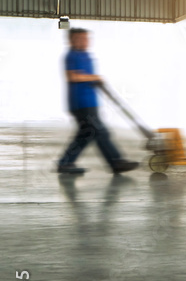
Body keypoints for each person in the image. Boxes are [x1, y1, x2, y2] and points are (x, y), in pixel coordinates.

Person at [57, 28, 138, 175]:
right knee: (100, 132)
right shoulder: (71, 56)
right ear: (71, 40)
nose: (85, 41)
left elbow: (87, 76)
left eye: (86, 38)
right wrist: (94, 78)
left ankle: (66, 163)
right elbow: (73, 77)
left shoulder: (86, 55)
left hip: (90, 102)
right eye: (80, 38)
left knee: (86, 134)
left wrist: (95, 79)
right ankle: (116, 162)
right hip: (80, 103)